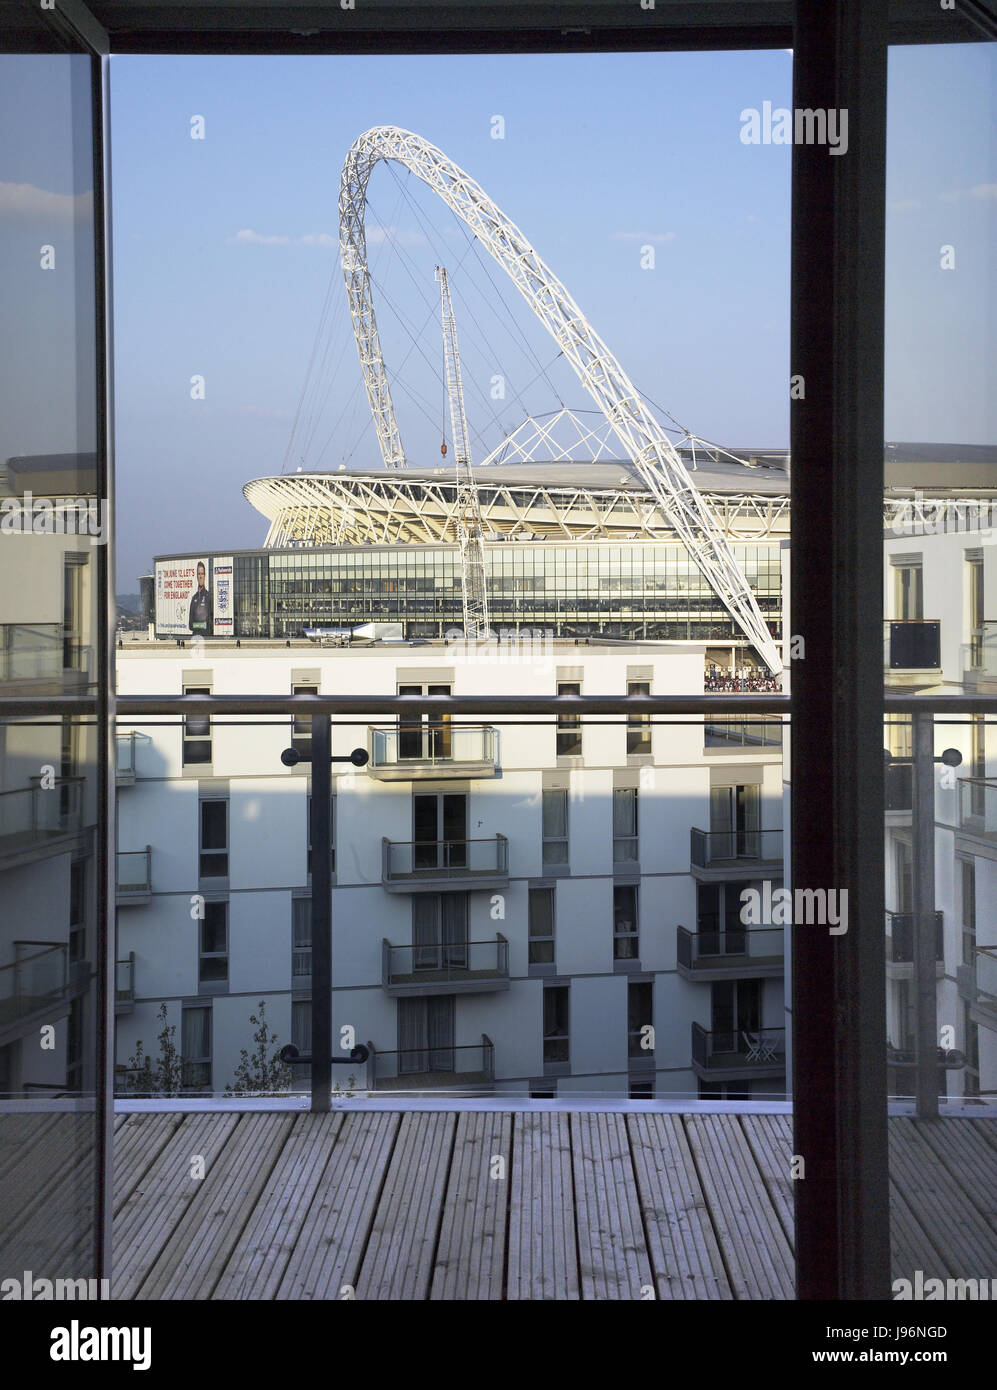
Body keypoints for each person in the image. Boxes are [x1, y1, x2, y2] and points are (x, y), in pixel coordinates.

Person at [188, 561, 212, 637]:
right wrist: (202, 625)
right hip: (195, 637)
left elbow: (210, 623)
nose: (200, 576)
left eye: (202, 574)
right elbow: (190, 625)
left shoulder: (209, 596)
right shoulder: (194, 598)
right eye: (199, 574)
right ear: (196, 576)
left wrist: (199, 625)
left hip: (206, 637)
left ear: (205, 576)